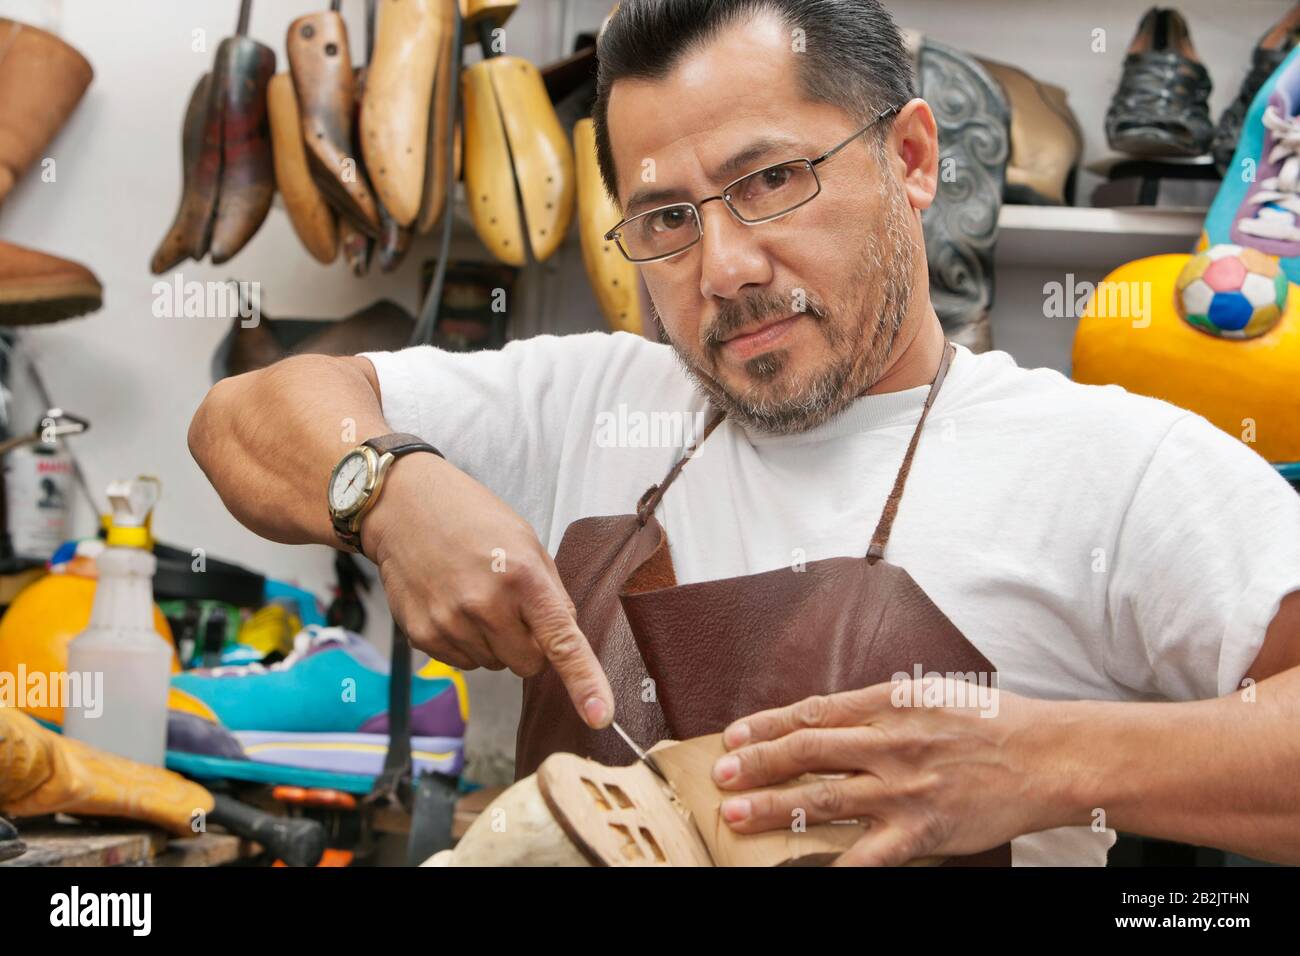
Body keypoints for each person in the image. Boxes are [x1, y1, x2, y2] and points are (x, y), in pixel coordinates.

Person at [189, 0, 1300, 866]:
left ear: (910, 159)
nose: (722, 269)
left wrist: (1047, 758)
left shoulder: (1110, 465)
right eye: (667, 218)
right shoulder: (585, 400)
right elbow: (240, 418)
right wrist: (384, 484)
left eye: (770, 180)